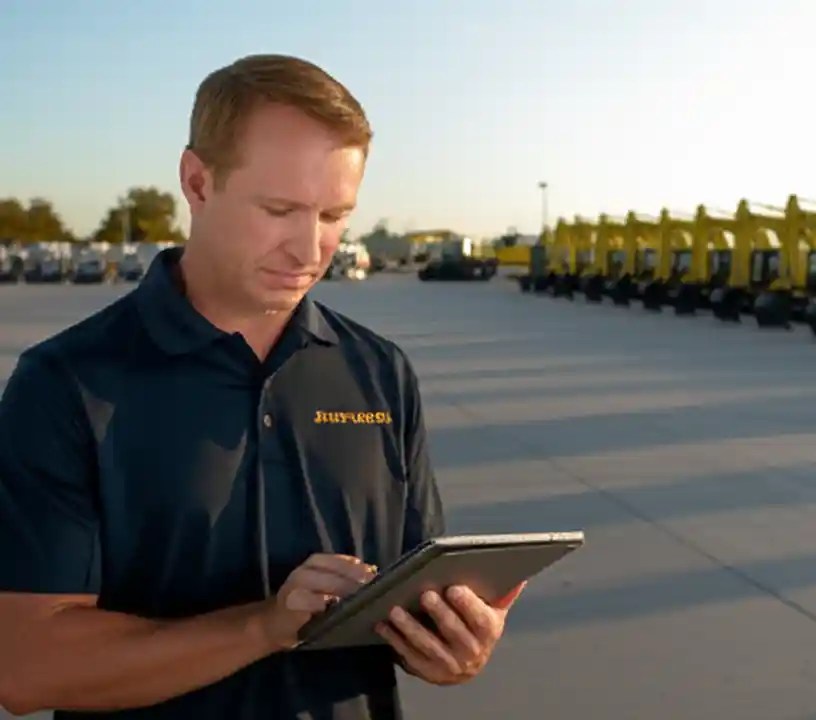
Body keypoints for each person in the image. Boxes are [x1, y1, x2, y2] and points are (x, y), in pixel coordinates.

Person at [0, 54, 522, 719]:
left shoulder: (380, 373)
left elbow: (409, 601)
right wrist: (264, 627)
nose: (310, 249)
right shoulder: (67, 384)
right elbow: (24, 668)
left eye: (336, 215)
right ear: (197, 182)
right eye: (279, 209)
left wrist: (454, 647)